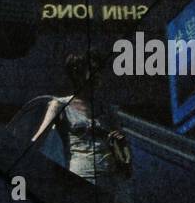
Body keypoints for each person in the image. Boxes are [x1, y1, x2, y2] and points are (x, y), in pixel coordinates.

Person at [30, 49, 128, 183]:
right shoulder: (60, 105)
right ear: (77, 74)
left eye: (99, 71)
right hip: (82, 178)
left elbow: (123, 143)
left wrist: (118, 139)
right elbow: (40, 137)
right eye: (93, 70)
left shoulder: (107, 108)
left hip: (112, 179)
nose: (98, 75)